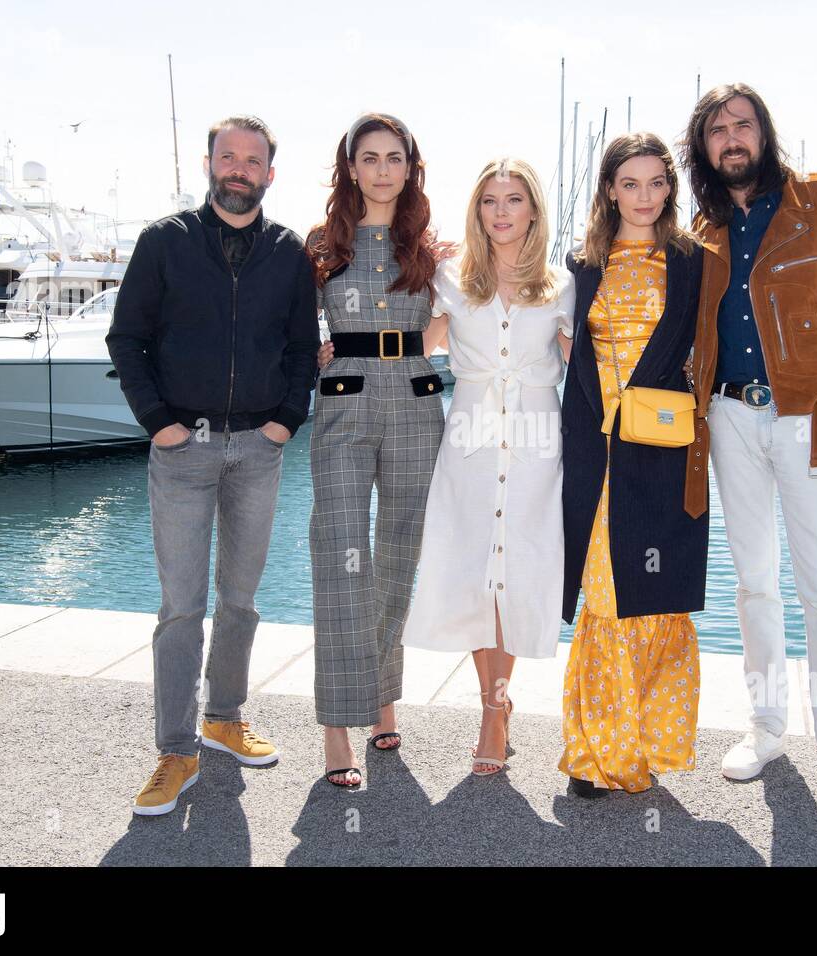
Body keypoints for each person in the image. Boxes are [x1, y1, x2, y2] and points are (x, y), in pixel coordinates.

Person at [680, 83, 817, 813]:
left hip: (807, 418)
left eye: (742, 124)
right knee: (754, 584)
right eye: (717, 130)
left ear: (764, 133)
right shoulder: (706, 227)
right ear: (705, 147)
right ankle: (767, 725)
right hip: (730, 420)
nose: (732, 138)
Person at [106, 115, 319, 816]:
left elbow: (299, 348)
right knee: (181, 607)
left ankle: (224, 717)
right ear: (209, 164)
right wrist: (158, 424)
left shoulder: (288, 254)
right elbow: (127, 338)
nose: (238, 169)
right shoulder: (164, 242)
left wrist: (287, 421)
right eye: (227, 156)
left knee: (242, 600)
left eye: (251, 160)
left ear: (269, 173)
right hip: (183, 450)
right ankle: (175, 750)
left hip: (259, 450)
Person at [403, 157, 574, 776]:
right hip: (470, 447)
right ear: (477, 211)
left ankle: (498, 703)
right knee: (478, 571)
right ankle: (490, 707)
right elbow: (416, 342)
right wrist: (342, 346)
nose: (501, 212)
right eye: (489, 201)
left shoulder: (561, 284)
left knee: (519, 570)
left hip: (534, 448)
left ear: (533, 209)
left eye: (514, 200)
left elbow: (585, 361)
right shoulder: (452, 278)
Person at [559, 133, 708, 797]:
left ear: (670, 188)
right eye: (630, 184)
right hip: (598, 450)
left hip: (660, 448)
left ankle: (641, 745)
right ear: (609, 190)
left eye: (656, 183)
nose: (644, 196)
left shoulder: (691, 261)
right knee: (606, 597)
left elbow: (718, 345)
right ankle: (597, 753)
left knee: (653, 593)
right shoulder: (583, 263)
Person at [307, 112, 443, 788]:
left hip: (417, 402)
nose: (383, 169)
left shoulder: (429, 246)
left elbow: (468, 319)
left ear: (410, 168)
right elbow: (281, 326)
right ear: (351, 166)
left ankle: (382, 699)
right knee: (339, 554)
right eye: (370, 157)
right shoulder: (321, 245)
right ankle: (337, 725)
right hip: (343, 401)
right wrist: (312, 352)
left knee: (396, 558)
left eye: (396, 157)